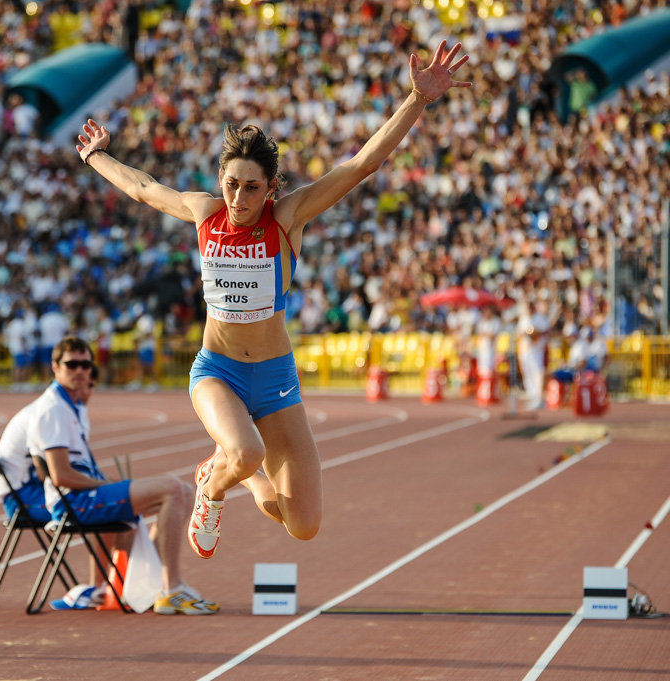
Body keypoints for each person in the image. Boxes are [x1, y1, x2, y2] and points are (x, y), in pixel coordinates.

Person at [76, 41, 472, 558]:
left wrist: (416, 101)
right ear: (220, 181)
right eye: (232, 185)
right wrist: (97, 155)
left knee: (302, 524)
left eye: (251, 188)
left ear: (271, 188)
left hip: (276, 380)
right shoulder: (204, 213)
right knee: (242, 451)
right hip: (218, 371)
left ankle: (237, 475)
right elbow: (144, 188)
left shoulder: (287, 219)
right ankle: (215, 484)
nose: (239, 199)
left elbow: (360, 166)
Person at [29, 336, 218, 614]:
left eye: (85, 365)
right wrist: (105, 484)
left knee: (184, 491)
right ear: (55, 367)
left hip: (84, 495)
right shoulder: (53, 409)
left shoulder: (70, 405)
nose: (80, 371)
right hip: (73, 502)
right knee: (171, 488)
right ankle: (172, 589)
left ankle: (152, 583)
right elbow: (60, 476)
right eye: (72, 365)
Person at [0, 363, 116, 609]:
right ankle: (103, 585)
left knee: (109, 500)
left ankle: (108, 584)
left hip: (38, 488)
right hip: (23, 496)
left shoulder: (75, 410)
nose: (88, 390)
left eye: (92, 385)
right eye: (86, 384)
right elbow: (46, 472)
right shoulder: (51, 410)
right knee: (106, 507)